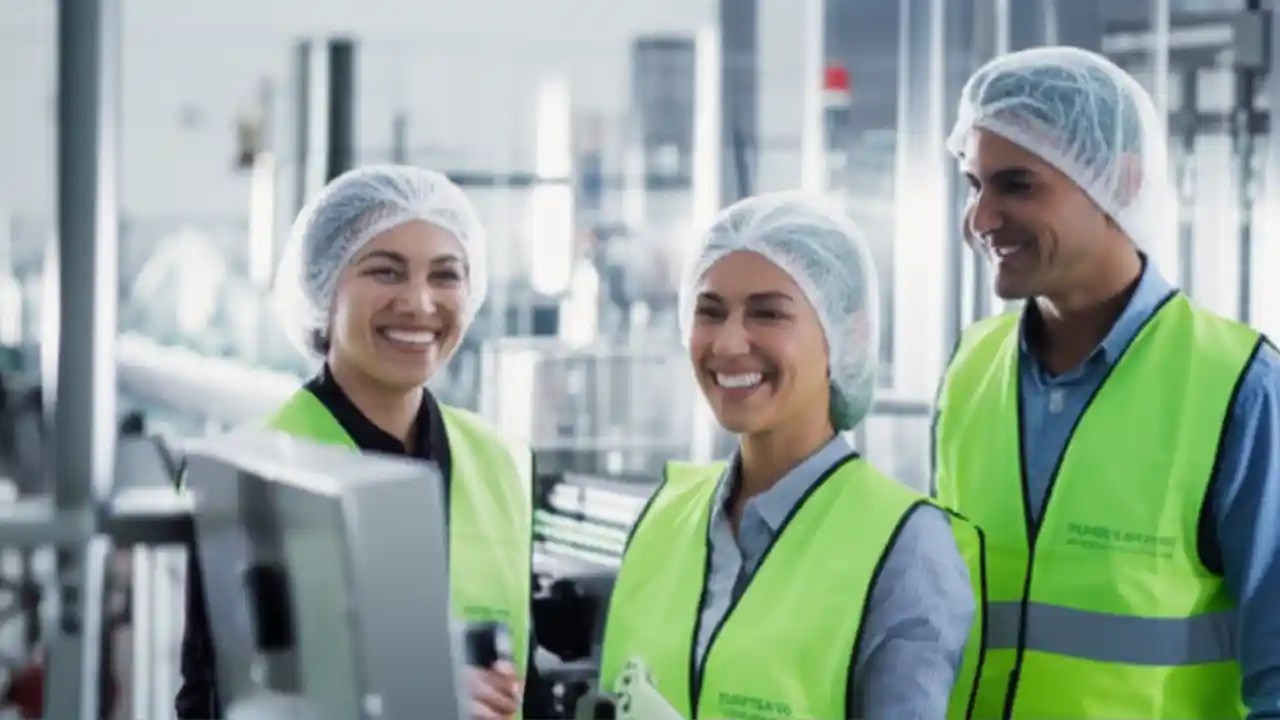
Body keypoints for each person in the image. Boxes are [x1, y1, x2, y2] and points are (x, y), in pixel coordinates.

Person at [933, 46, 1280, 719]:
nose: (980, 218)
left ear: (1113, 181)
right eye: (974, 184)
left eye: (1017, 184)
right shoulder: (970, 370)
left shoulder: (1240, 388)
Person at [176, 165, 554, 720]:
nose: (420, 304)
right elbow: (211, 703)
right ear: (324, 288)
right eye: (386, 271)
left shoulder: (501, 463)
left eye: (446, 276)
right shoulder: (249, 472)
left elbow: (528, 684)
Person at [598, 192, 987, 719]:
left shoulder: (906, 547)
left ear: (845, 336)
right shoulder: (664, 516)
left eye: (768, 313)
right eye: (710, 312)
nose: (729, 343)